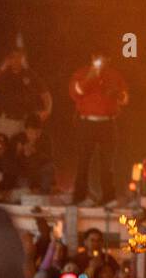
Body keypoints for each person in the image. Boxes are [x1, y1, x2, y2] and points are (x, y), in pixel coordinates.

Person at [68, 52, 129, 206]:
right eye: (96, 57)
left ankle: (108, 197)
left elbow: (125, 98)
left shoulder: (114, 75)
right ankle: (80, 197)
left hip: (107, 123)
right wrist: (91, 75)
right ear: (92, 58)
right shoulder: (81, 73)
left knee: (107, 163)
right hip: (87, 123)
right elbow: (77, 92)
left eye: (103, 57)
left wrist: (118, 94)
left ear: (109, 59)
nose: (100, 61)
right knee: (83, 161)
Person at [0, 47, 52, 140]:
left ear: (23, 59)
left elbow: (45, 94)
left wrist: (47, 110)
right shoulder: (3, 74)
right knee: (1, 150)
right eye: (13, 57)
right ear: (8, 59)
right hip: (5, 121)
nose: (16, 60)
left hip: (24, 122)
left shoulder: (29, 75)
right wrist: (1, 69)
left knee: (21, 151)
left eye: (19, 57)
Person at [11, 113, 56, 194]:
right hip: (24, 173)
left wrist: (36, 152)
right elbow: (11, 161)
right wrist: (20, 153)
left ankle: (43, 193)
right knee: (23, 189)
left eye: (38, 132)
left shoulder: (46, 140)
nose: (35, 136)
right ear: (25, 130)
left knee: (50, 168)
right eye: (31, 132)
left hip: (39, 172)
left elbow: (50, 160)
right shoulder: (18, 139)